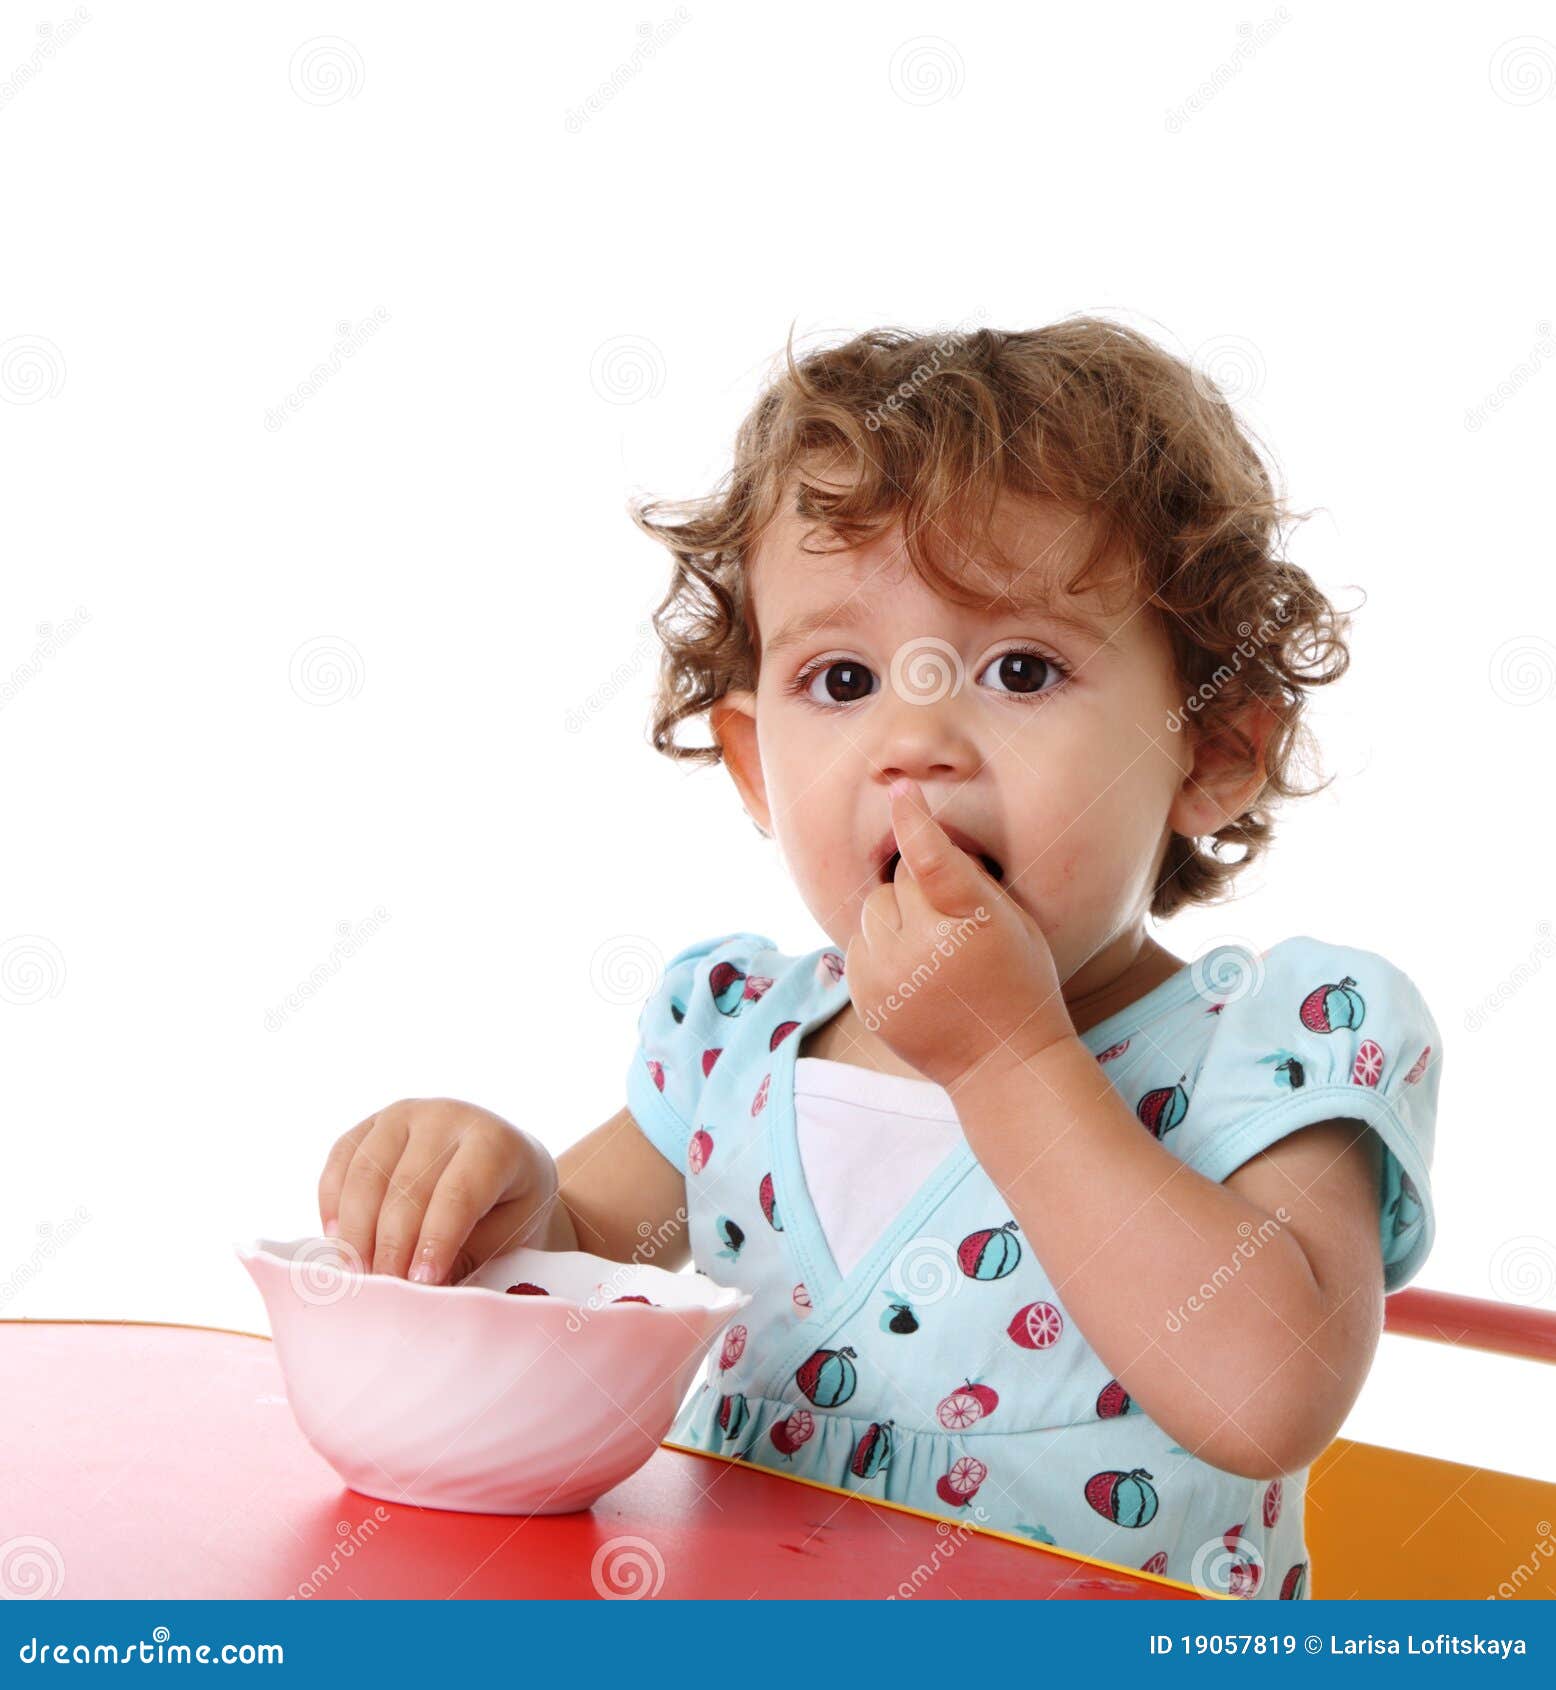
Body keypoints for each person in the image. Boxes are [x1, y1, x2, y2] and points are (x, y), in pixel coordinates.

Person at [317, 318, 1441, 1601]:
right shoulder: (730, 1040)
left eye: (1018, 668)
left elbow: (1263, 1393)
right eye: (841, 677)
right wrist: (503, 1206)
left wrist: (1009, 1057)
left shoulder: (1274, 1041)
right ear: (755, 763)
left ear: (1213, 748)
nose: (914, 742)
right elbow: (574, 1279)